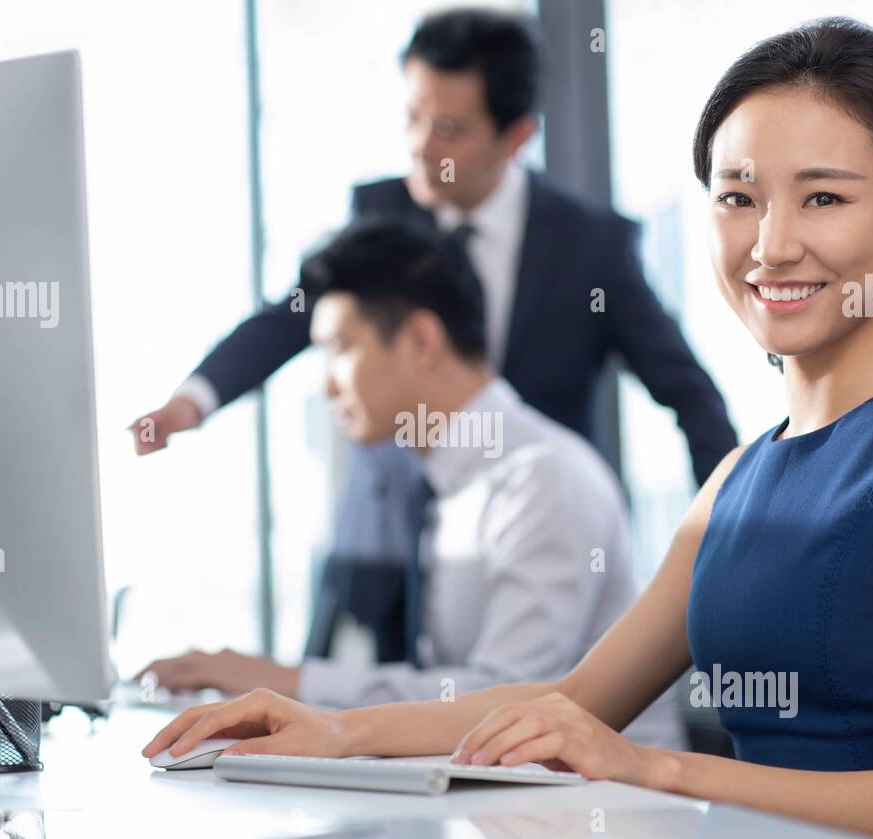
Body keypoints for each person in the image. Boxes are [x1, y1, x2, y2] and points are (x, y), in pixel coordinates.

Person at [143, 17, 873, 839]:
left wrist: (644, 769)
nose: (772, 244)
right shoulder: (740, 478)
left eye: (822, 198)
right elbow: (577, 700)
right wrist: (340, 731)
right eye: (737, 198)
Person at [129, 7, 737, 663]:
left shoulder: (589, 246)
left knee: (479, 710)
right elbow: (291, 317)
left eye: (447, 129)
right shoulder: (381, 214)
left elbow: (688, 395)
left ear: (516, 137)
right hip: (385, 542)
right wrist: (193, 401)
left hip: (529, 536)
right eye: (412, 118)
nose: (420, 145)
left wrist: (726, 549)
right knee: (367, 719)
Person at [139, 219, 683, 748]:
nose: (328, 385)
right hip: (526, 809)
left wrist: (287, 683)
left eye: (341, 348)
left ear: (421, 340)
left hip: (609, 818)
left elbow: (501, 700)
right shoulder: (449, 482)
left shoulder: (542, 478)